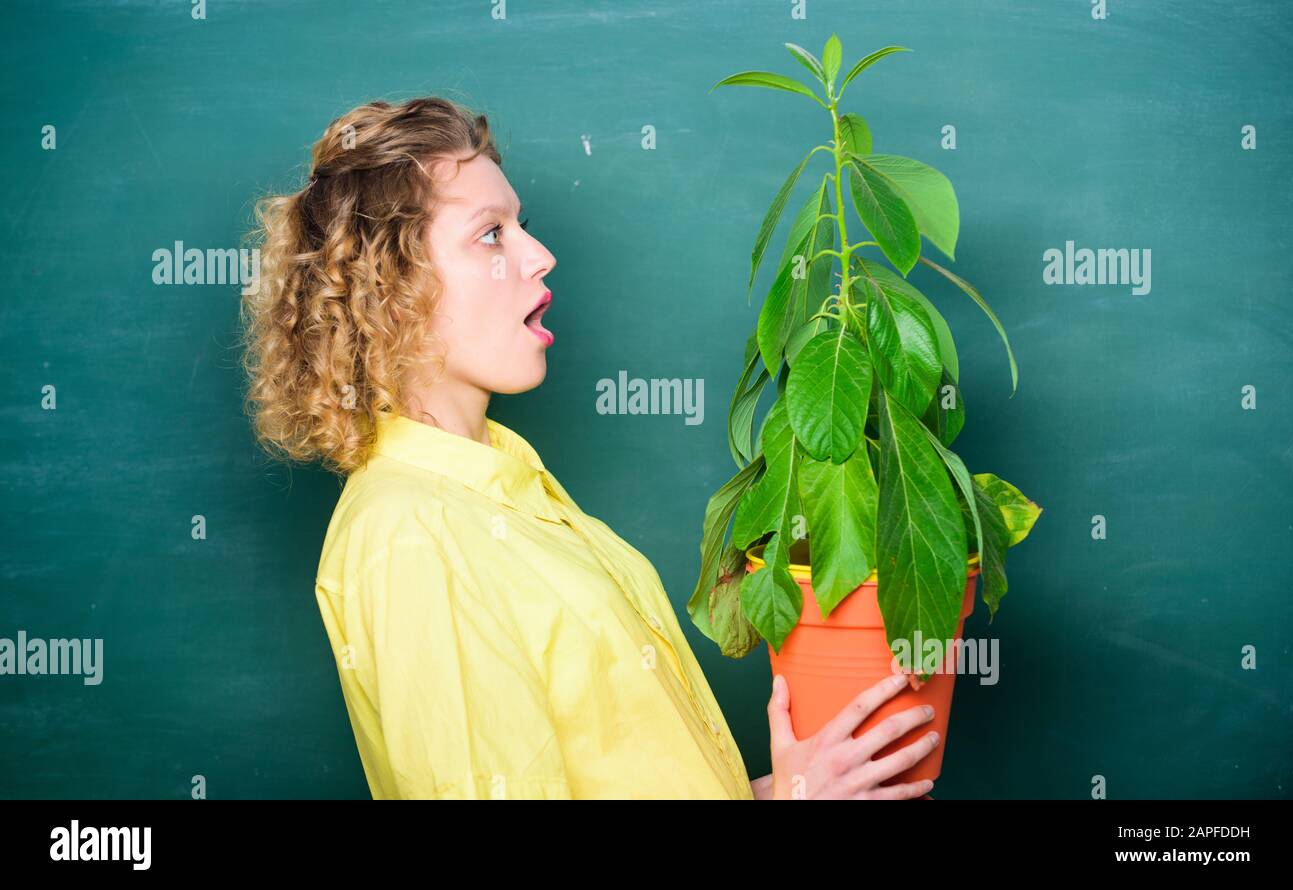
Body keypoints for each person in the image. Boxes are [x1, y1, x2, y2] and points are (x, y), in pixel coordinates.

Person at [239, 96, 939, 799]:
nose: (540, 256)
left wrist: (780, 793)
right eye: (491, 234)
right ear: (391, 284)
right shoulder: (411, 537)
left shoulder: (502, 482)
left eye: (522, 227)